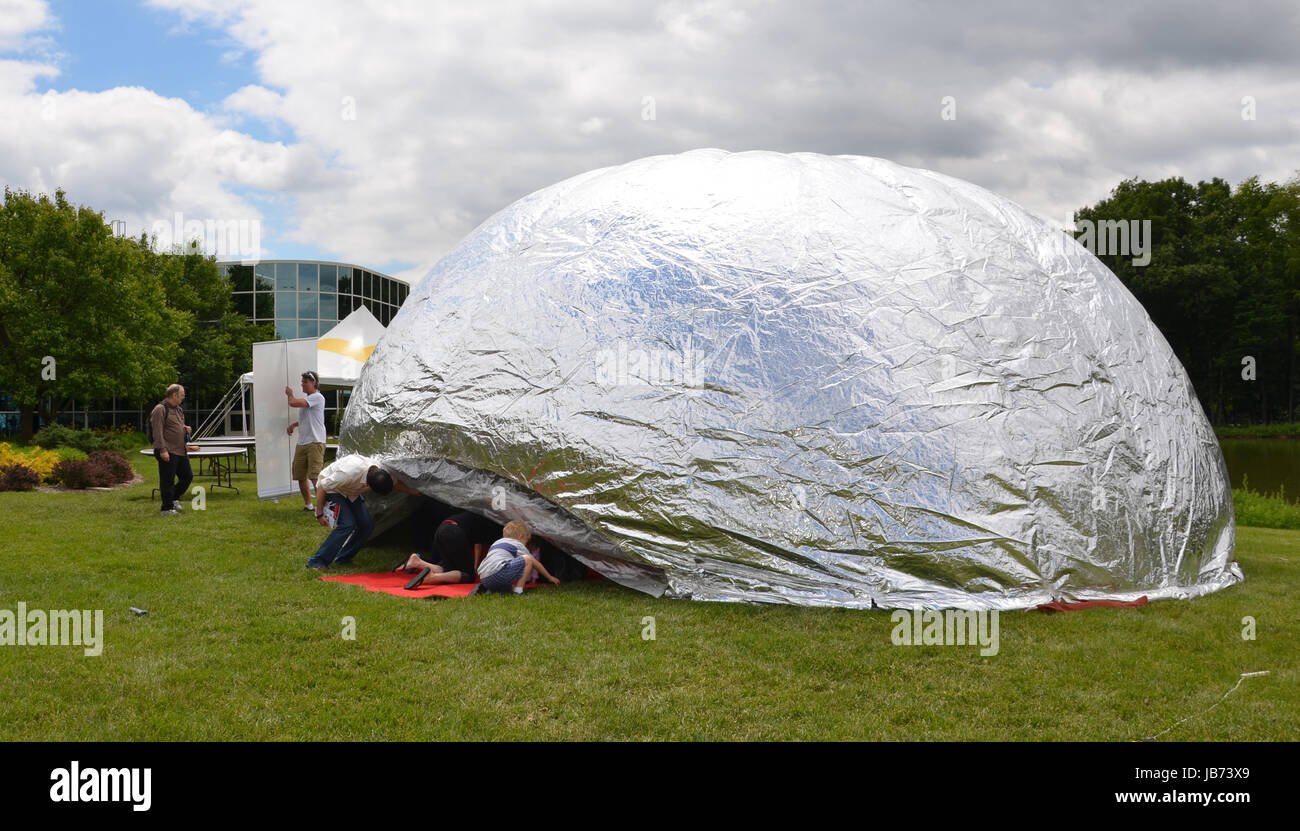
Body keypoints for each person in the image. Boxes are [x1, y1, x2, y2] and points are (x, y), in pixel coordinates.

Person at [307, 454, 419, 569]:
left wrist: (415, 491)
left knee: (367, 525)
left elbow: (396, 484)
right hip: (332, 489)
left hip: (350, 491)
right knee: (347, 524)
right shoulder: (348, 473)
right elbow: (322, 486)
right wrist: (319, 514)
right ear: (367, 484)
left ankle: (343, 558)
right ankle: (317, 561)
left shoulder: (382, 473)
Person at [149, 383, 199, 516]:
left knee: (187, 476)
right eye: (181, 395)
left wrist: (185, 429)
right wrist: (162, 450)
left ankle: (173, 499)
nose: (183, 398)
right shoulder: (160, 409)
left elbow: (176, 426)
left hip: (181, 450)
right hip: (167, 450)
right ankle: (166, 508)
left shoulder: (178, 409)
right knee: (167, 480)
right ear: (174, 395)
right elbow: (157, 432)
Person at [474, 521, 561, 594]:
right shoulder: (517, 544)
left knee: (508, 588)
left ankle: (487, 589)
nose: (525, 545)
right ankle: (519, 591)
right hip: (499, 573)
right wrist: (549, 577)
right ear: (521, 537)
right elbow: (534, 562)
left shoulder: (496, 543)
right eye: (526, 542)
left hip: (484, 577)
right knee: (527, 559)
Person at [286, 371, 327, 512]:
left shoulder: (317, 397)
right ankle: (309, 505)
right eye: (302, 382)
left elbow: (292, 403)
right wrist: (294, 425)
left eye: (305, 382)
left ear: (313, 383)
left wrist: (289, 394)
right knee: (300, 475)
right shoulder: (309, 399)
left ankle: (324, 507)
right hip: (302, 443)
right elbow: (308, 419)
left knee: (314, 477)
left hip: (315, 442)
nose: (302, 384)